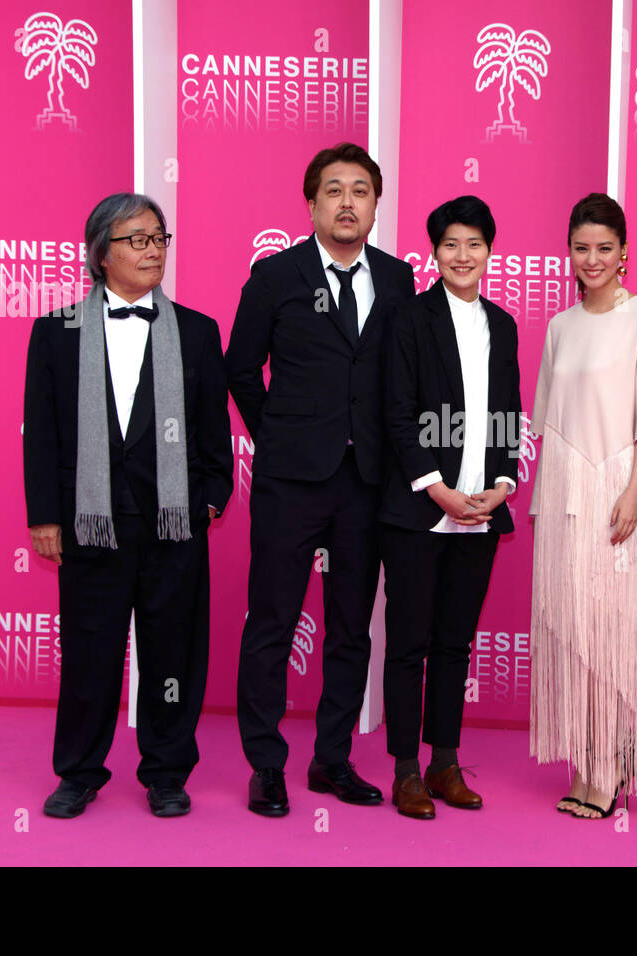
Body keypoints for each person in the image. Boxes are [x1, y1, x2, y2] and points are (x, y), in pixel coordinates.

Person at [24, 192, 233, 819]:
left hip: (173, 522)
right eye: (136, 239)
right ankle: (80, 771)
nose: (152, 250)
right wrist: (44, 517)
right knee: (91, 651)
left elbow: (212, 429)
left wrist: (210, 500)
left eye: (158, 237)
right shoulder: (55, 333)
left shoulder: (197, 332)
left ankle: (167, 771)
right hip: (91, 523)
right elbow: (42, 432)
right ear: (101, 254)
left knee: (172, 653)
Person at [226, 142, 416, 817]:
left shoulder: (398, 281)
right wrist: (275, 435)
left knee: (350, 629)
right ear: (311, 203)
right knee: (272, 620)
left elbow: (401, 377)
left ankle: (332, 760)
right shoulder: (275, 276)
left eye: (359, 190)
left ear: (375, 204)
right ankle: (266, 764)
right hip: (290, 481)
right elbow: (241, 369)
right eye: (333, 190)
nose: (346, 202)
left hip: (366, 482)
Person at [529, 193, 637, 818]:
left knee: (615, 628)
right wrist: (542, 497)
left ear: (624, 255)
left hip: (620, 487)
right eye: (582, 249)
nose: (592, 259)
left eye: (604, 249)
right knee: (572, 630)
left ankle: (613, 764)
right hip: (565, 489)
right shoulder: (560, 327)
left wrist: (635, 492)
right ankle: (584, 761)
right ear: (569, 252)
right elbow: (547, 423)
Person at [378, 195, 522, 819]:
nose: (463, 256)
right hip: (418, 509)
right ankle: (405, 770)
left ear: (490, 251)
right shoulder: (407, 319)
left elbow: (509, 414)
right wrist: (436, 488)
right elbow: (396, 414)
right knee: (410, 642)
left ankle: (444, 764)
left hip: (480, 511)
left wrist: (502, 484)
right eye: (450, 244)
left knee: (455, 645)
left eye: (475, 244)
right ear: (433, 252)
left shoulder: (505, 324)